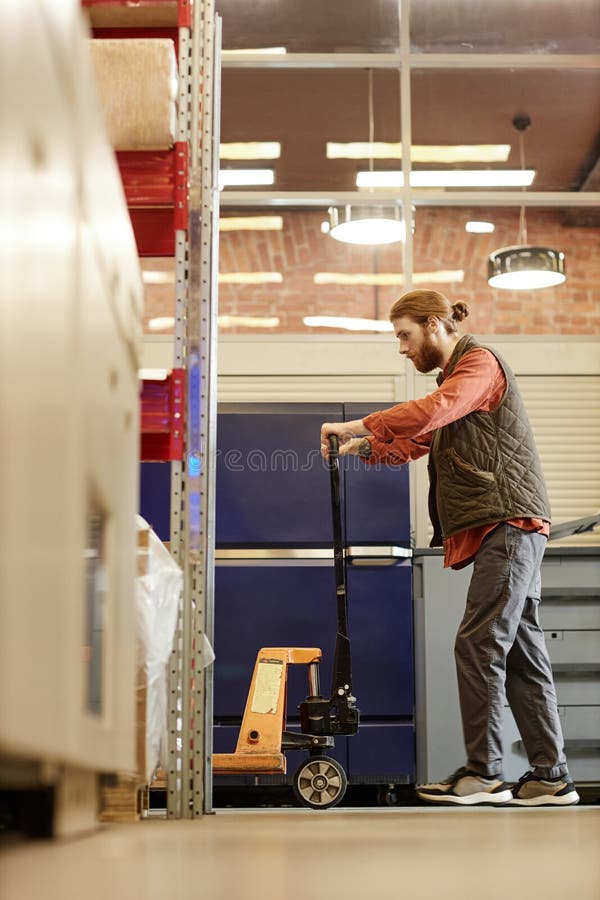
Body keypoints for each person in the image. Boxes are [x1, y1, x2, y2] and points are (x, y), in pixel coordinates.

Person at [320, 289, 579, 807]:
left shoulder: (478, 365)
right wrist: (364, 447)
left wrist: (358, 423)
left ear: (434, 325)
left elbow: (438, 410)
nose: (401, 348)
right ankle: (550, 775)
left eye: (404, 336)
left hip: (509, 523)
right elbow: (423, 439)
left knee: (477, 643)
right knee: (521, 651)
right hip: (504, 528)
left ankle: (484, 773)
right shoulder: (457, 378)